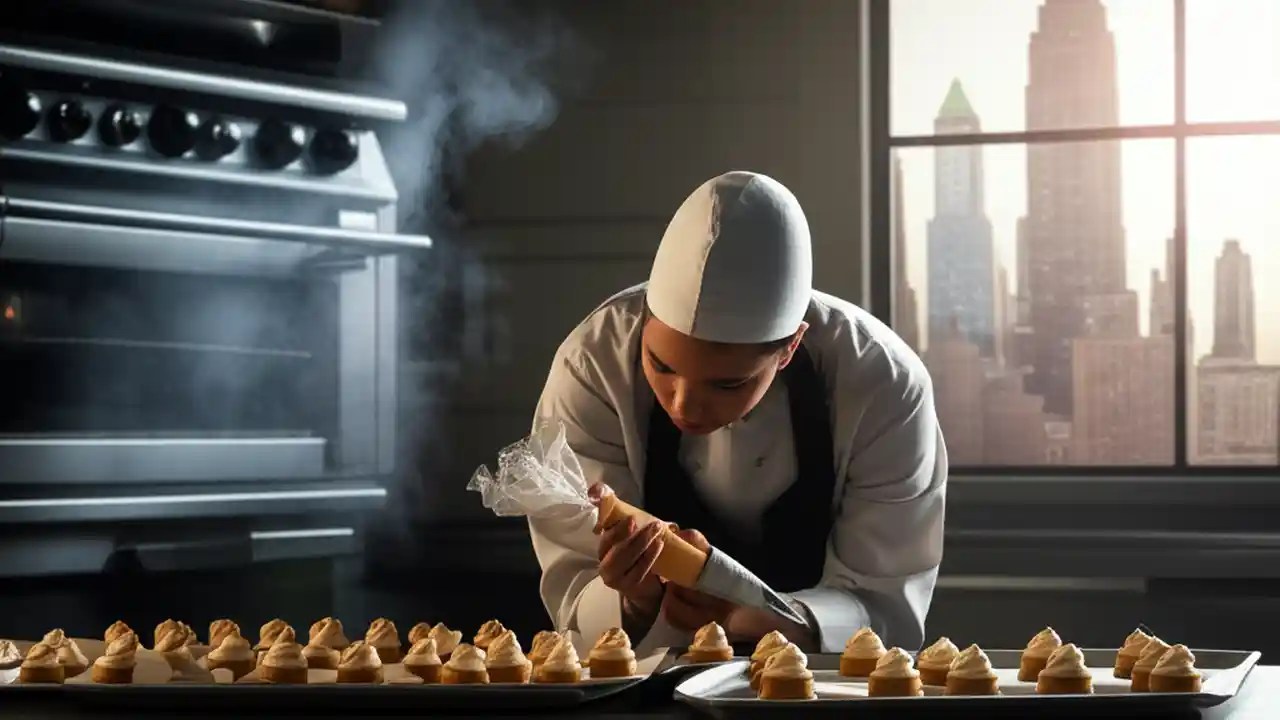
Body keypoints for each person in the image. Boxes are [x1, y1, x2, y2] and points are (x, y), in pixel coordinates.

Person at [527, 171, 946, 655]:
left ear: (789, 348)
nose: (683, 403)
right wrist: (633, 600)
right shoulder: (593, 367)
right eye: (660, 365)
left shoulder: (883, 385)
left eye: (728, 383)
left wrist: (757, 616)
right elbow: (578, 599)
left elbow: (884, 603)